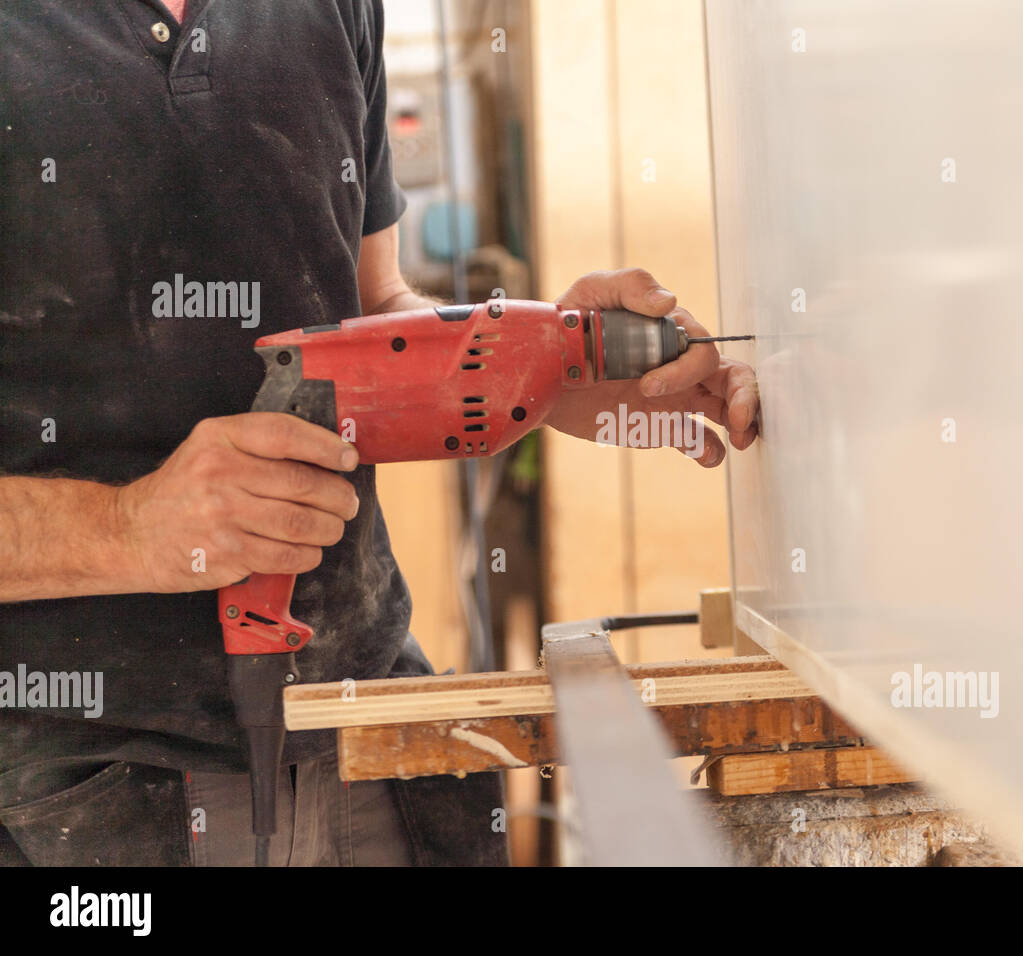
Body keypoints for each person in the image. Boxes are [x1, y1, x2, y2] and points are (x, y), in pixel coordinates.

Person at [0, 0, 759, 864]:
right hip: (82, 790)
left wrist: (554, 368)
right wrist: (129, 529)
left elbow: (371, 313)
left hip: (379, 738)